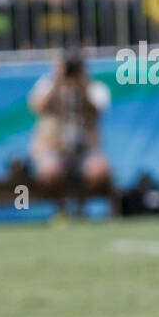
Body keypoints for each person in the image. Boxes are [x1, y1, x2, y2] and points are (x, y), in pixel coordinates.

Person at [28, 50, 112, 210]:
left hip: (85, 148)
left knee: (99, 172)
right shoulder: (47, 84)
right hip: (52, 146)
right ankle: (61, 208)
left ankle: (81, 208)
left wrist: (81, 84)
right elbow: (37, 106)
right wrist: (57, 80)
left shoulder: (93, 86)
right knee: (50, 171)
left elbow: (97, 109)